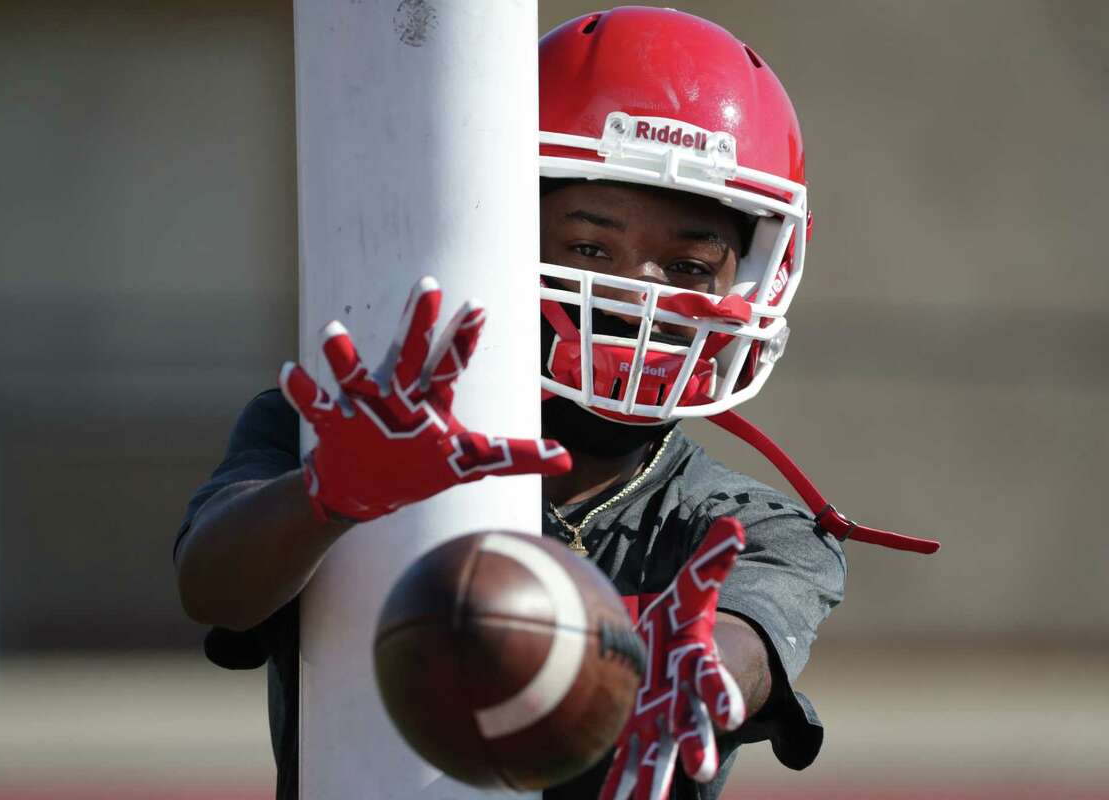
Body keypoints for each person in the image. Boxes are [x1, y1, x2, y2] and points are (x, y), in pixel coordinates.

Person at [175, 7, 936, 799]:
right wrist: (323, 496)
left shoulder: (752, 524)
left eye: (686, 265)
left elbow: (739, 645)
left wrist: (689, 664)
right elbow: (212, 590)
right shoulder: (333, 434)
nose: (637, 290)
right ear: (508, 229)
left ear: (748, 280)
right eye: (589, 247)